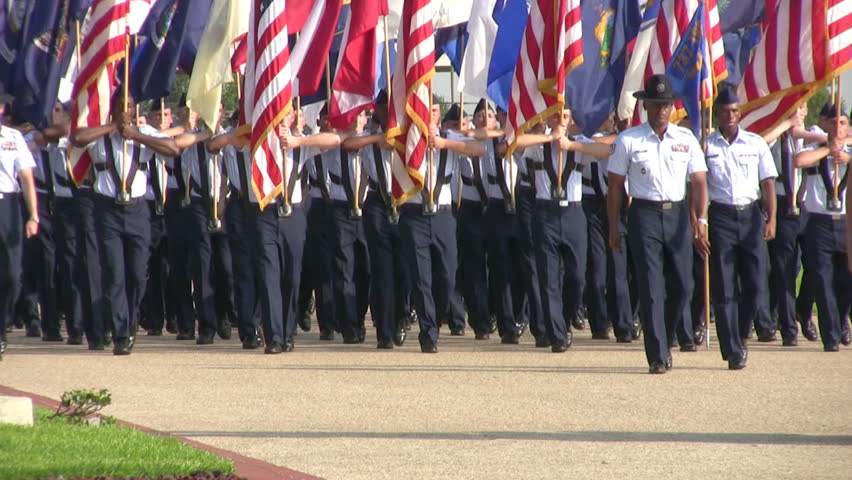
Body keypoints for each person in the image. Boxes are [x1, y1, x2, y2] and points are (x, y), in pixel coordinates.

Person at [607, 74, 708, 374]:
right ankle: (658, 355)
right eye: (655, 104)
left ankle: (665, 331)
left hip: (677, 214)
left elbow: (700, 181)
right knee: (651, 287)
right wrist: (614, 226)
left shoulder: (685, 139)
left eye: (666, 105)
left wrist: (700, 218)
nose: (661, 110)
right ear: (646, 105)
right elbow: (614, 186)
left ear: (671, 106)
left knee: (682, 285)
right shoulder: (629, 140)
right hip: (643, 215)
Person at [70, 91, 179, 355]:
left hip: (138, 210)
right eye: (121, 106)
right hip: (107, 211)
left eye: (129, 106)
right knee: (115, 273)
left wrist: (137, 135)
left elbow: (173, 150)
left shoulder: (145, 134)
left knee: (138, 274)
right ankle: (120, 334)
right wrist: (112, 126)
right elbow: (77, 139)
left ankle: (129, 323)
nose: (125, 110)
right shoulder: (101, 135)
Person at [515, 107, 611, 352]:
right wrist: (549, 137)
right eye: (556, 115)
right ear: (547, 118)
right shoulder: (538, 144)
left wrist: (571, 146)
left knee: (577, 277)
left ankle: (564, 320)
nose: (561, 120)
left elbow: (604, 151)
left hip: (574, 213)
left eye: (566, 116)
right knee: (548, 276)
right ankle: (556, 334)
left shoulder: (578, 142)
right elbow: (514, 142)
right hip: (545, 211)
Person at [400, 100, 485, 353]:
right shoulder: (408, 138)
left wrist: (444, 143)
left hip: (443, 215)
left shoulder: (449, 136)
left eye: (434, 110)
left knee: (447, 276)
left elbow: (478, 149)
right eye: (425, 109)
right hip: (414, 214)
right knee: (420, 278)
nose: (430, 114)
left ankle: (434, 318)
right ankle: (428, 332)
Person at [704, 88, 778, 369]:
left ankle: (742, 333)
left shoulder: (755, 143)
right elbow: (699, 186)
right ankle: (732, 350)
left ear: (740, 112)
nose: (730, 116)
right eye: (724, 111)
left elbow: (768, 183)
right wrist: (699, 221)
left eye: (735, 111)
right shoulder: (707, 146)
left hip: (751, 216)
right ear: (717, 114)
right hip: (720, 216)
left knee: (756, 284)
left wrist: (771, 219)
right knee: (723, 288)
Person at [342, 90, 414, 349]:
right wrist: (378, 138)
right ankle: (384, 331)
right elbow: (348, 145)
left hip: (405, 202)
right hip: (377, 203)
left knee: (404, 268)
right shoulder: (370, 133)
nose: (387, 111)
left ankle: (401, 318)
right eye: (384, 107)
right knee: (382, 270)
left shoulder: (410, 129)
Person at [763, 105, 827, 346]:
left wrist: (809, 134)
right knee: (785, 268)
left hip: (806, 205)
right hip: (781, 203)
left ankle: (802, 308)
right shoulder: (776, 135)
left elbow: (831, 140)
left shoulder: (814, 134)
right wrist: (787, 125)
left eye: (800, 108)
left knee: (814, 266)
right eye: (792, 108)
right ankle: (788, 328)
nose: (797, 113)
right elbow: (762, 141)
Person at [795, 105, 852, 352]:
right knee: (821, 277)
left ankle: (841, 322)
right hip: (819, 222)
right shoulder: (815, 150)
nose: (838, 127)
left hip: (846, 222)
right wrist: (828, 151)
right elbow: (799, 160)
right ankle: (830, 335)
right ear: (826, 125)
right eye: (834, 123)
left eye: (843, 123)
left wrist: (847, 157)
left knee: (845, 279)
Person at [579, 113, 638, 343]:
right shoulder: (583, 138)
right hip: (591, 203)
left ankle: (624, 324)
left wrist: (620, 136)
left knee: (620, 269)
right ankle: (599, 323)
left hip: (619, 204)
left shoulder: (626, 139)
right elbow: (598, 147)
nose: (611, 118)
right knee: (597, 268)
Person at [0, 101, 39, 360]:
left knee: (13, 274)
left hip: (8, 205)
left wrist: (33, 215)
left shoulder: (13, 137)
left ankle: (2, 324)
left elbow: (26, 177)